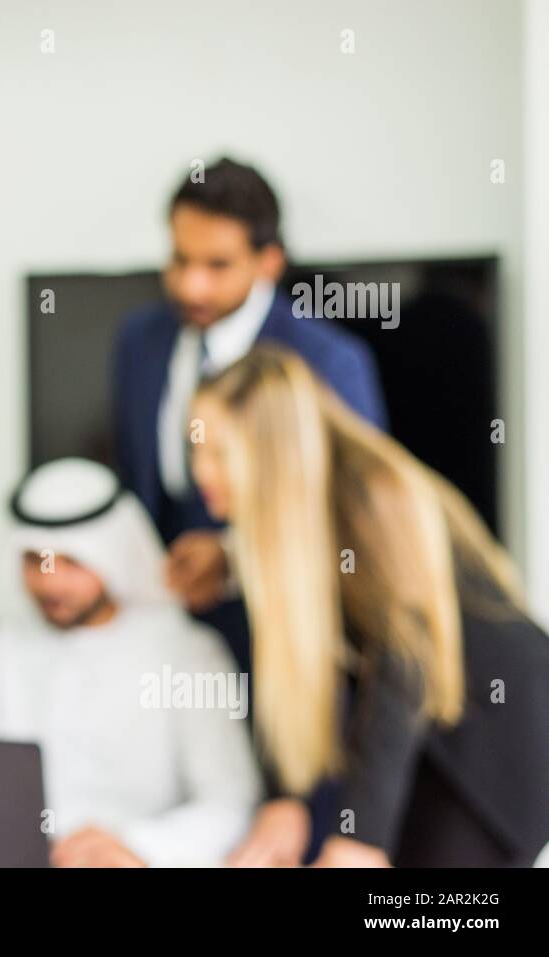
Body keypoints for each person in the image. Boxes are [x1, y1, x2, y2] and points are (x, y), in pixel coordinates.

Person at [110, 156, 387, 863]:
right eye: (178, 259)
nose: (190, 284)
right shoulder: (139, 343)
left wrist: (232, 559)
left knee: (289, 831)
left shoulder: (330, 363)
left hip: (295, 655)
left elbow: (350, 537)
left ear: (270, 261)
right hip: (178, 648)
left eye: (217, 264)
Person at [191, 346, 549, 866]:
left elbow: (402, 665)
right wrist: (287, 798)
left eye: (219, 453)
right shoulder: (281, 521)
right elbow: (296, 669)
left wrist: (363, 840)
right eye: (195, 448)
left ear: (268, 447)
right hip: (429, 730)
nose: (201, 471)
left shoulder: (371, 491)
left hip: (499, 736)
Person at [0, 458, 261, 867]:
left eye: (72, 562)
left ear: (114, 554)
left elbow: (230, 804)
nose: (51, 583)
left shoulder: (188, 653)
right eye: (35, 561)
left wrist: (135, 849)